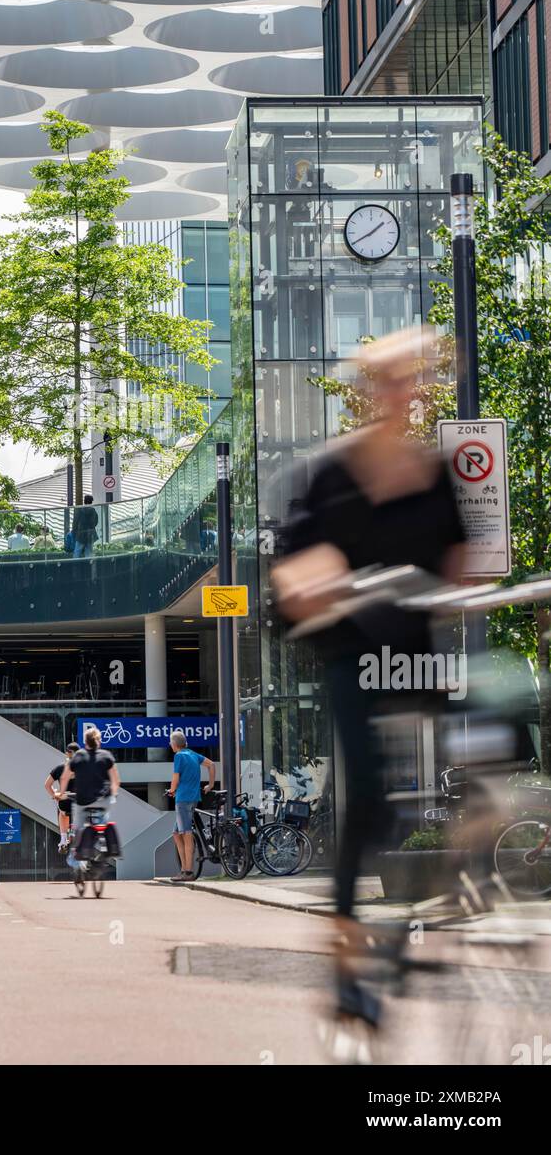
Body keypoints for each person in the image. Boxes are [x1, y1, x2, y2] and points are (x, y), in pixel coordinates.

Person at [271, 328, 466, 1018]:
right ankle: (348, 964)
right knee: (372, 804)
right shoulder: (329, 473)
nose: (400, 393)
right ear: (364, 392)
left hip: (417, 651)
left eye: (410, 380)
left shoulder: (432, 471)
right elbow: (291, 572)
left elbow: (458, 561)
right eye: (385, 381)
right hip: (354, 653)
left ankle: (456, 892)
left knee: (491, 747)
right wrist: (326, 585)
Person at [167, 731, 215, 882]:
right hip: (194, 798)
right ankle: (183, 869)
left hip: (183, 799)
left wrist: (172, 790)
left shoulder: (179, 756)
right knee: (176, 833)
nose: (170, 745)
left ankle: (188, 872)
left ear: (175, 744)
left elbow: (176, 777)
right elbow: (211, 765)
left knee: (186, 834)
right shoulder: (193, 754)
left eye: (170, 742)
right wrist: (210, 785)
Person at [60, 727, 119, 845]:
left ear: (85, 742)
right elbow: (115, 780)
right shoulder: (106, 755)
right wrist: (113, 793)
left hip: (83, 800)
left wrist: (61, 794)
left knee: (78, 826)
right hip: (103, 799)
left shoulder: (78, 756)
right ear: (99, 741)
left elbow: (64, 777)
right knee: (104, 818)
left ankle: (76, 850)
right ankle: (104, 838)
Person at [46, 741, 79, 853]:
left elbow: (47, 785)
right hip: (78, 802)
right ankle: (75, 833)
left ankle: (63, 839)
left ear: (67, 753)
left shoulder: (60, 768)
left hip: (64, 801)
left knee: (62, 811)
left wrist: (54, 795)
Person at [71, 494, 98, 559]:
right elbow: (95, 522)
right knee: (89, 552)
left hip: (81, 534)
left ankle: (75, 566)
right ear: (91, 502)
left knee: (77, 551)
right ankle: (88, 566)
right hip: (90, 534)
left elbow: (75, 522)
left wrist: (74, 531)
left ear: (84, 501)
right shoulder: (93, 511)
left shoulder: (80, 510)